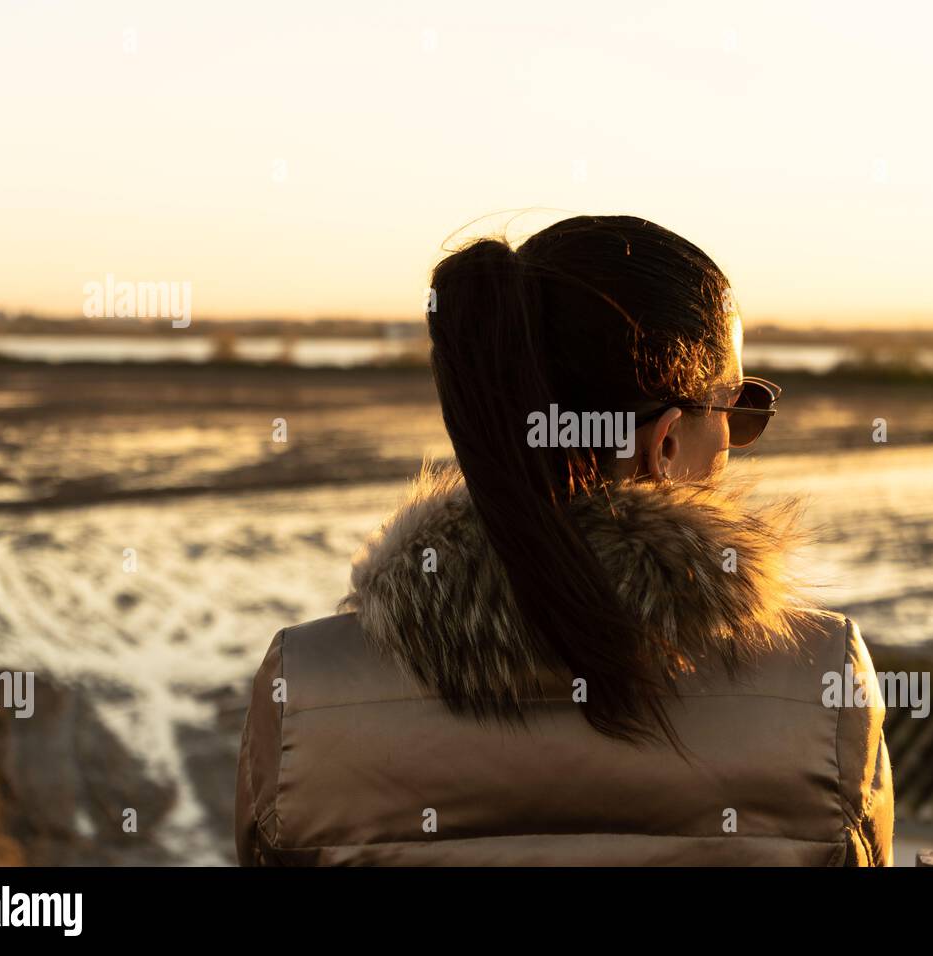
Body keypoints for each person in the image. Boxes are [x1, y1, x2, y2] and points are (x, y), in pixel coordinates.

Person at [235, 215, 894, 865]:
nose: (738, 440)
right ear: (665, 443)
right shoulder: (821, 690)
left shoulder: (305, 692)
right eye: (738, 409)